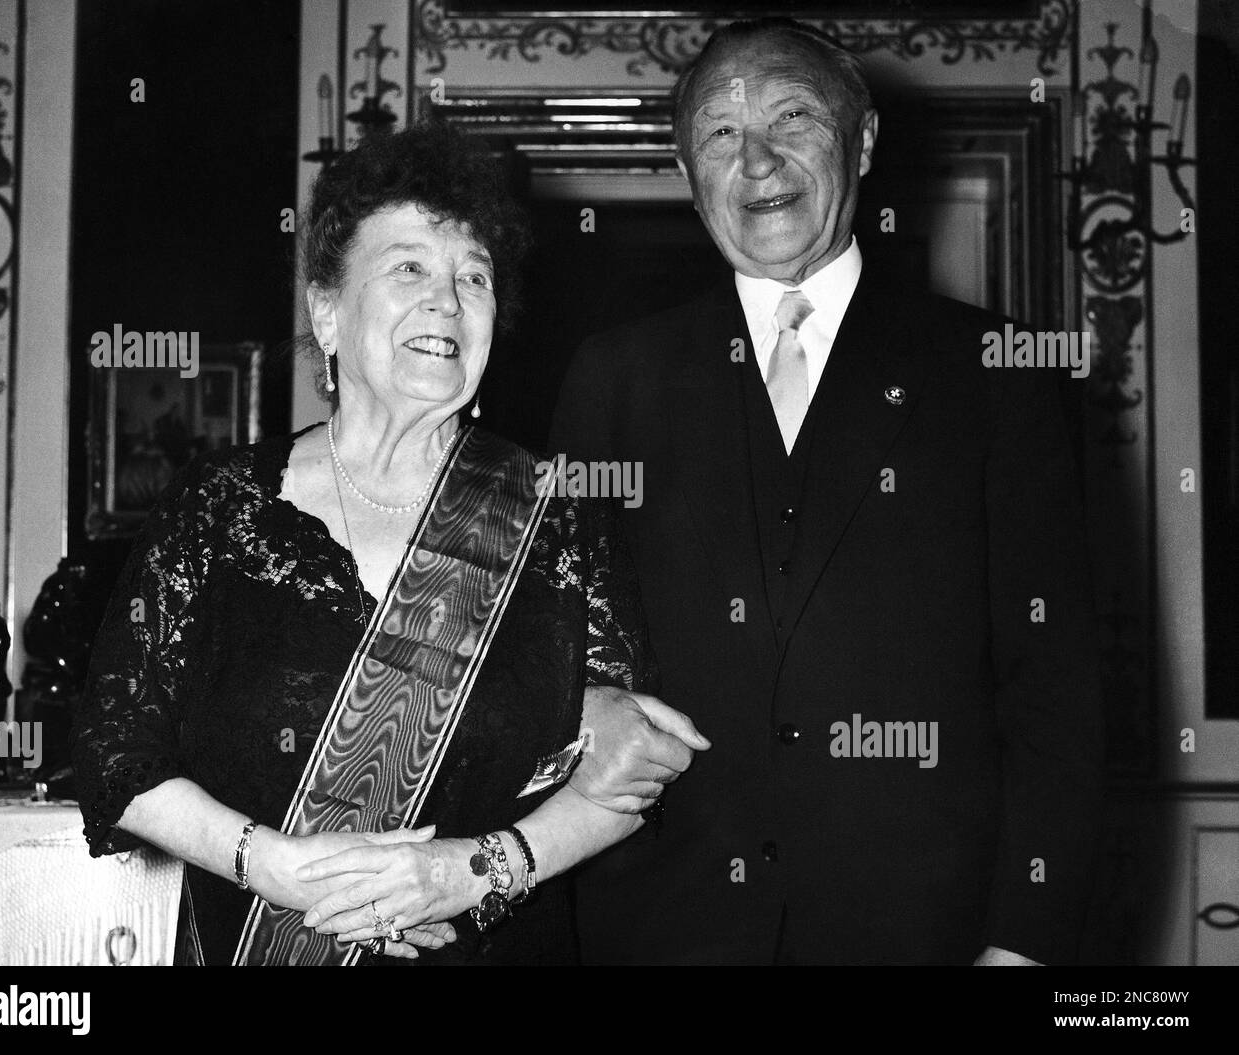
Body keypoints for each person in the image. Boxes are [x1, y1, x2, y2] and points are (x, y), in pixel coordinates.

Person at [72, 122, 707, 966]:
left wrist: (469, 872)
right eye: (409, 266)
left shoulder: (559, 517)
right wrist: (277, 866)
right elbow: (114, 749)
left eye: (472, 277)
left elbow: (629, 780)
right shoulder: (222, 507)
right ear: (327, 311)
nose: (445, 299)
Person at [551, 18, 1103, 965]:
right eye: (720, 135)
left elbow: (1054, 692)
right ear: (689, 174)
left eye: (793, 116)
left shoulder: (995, 371)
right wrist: (582, 707)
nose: (756, 159)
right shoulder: (613, 378)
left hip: (922, 935)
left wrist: (1022, 945)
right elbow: (545, 644)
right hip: (657, 931)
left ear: (865, 138)